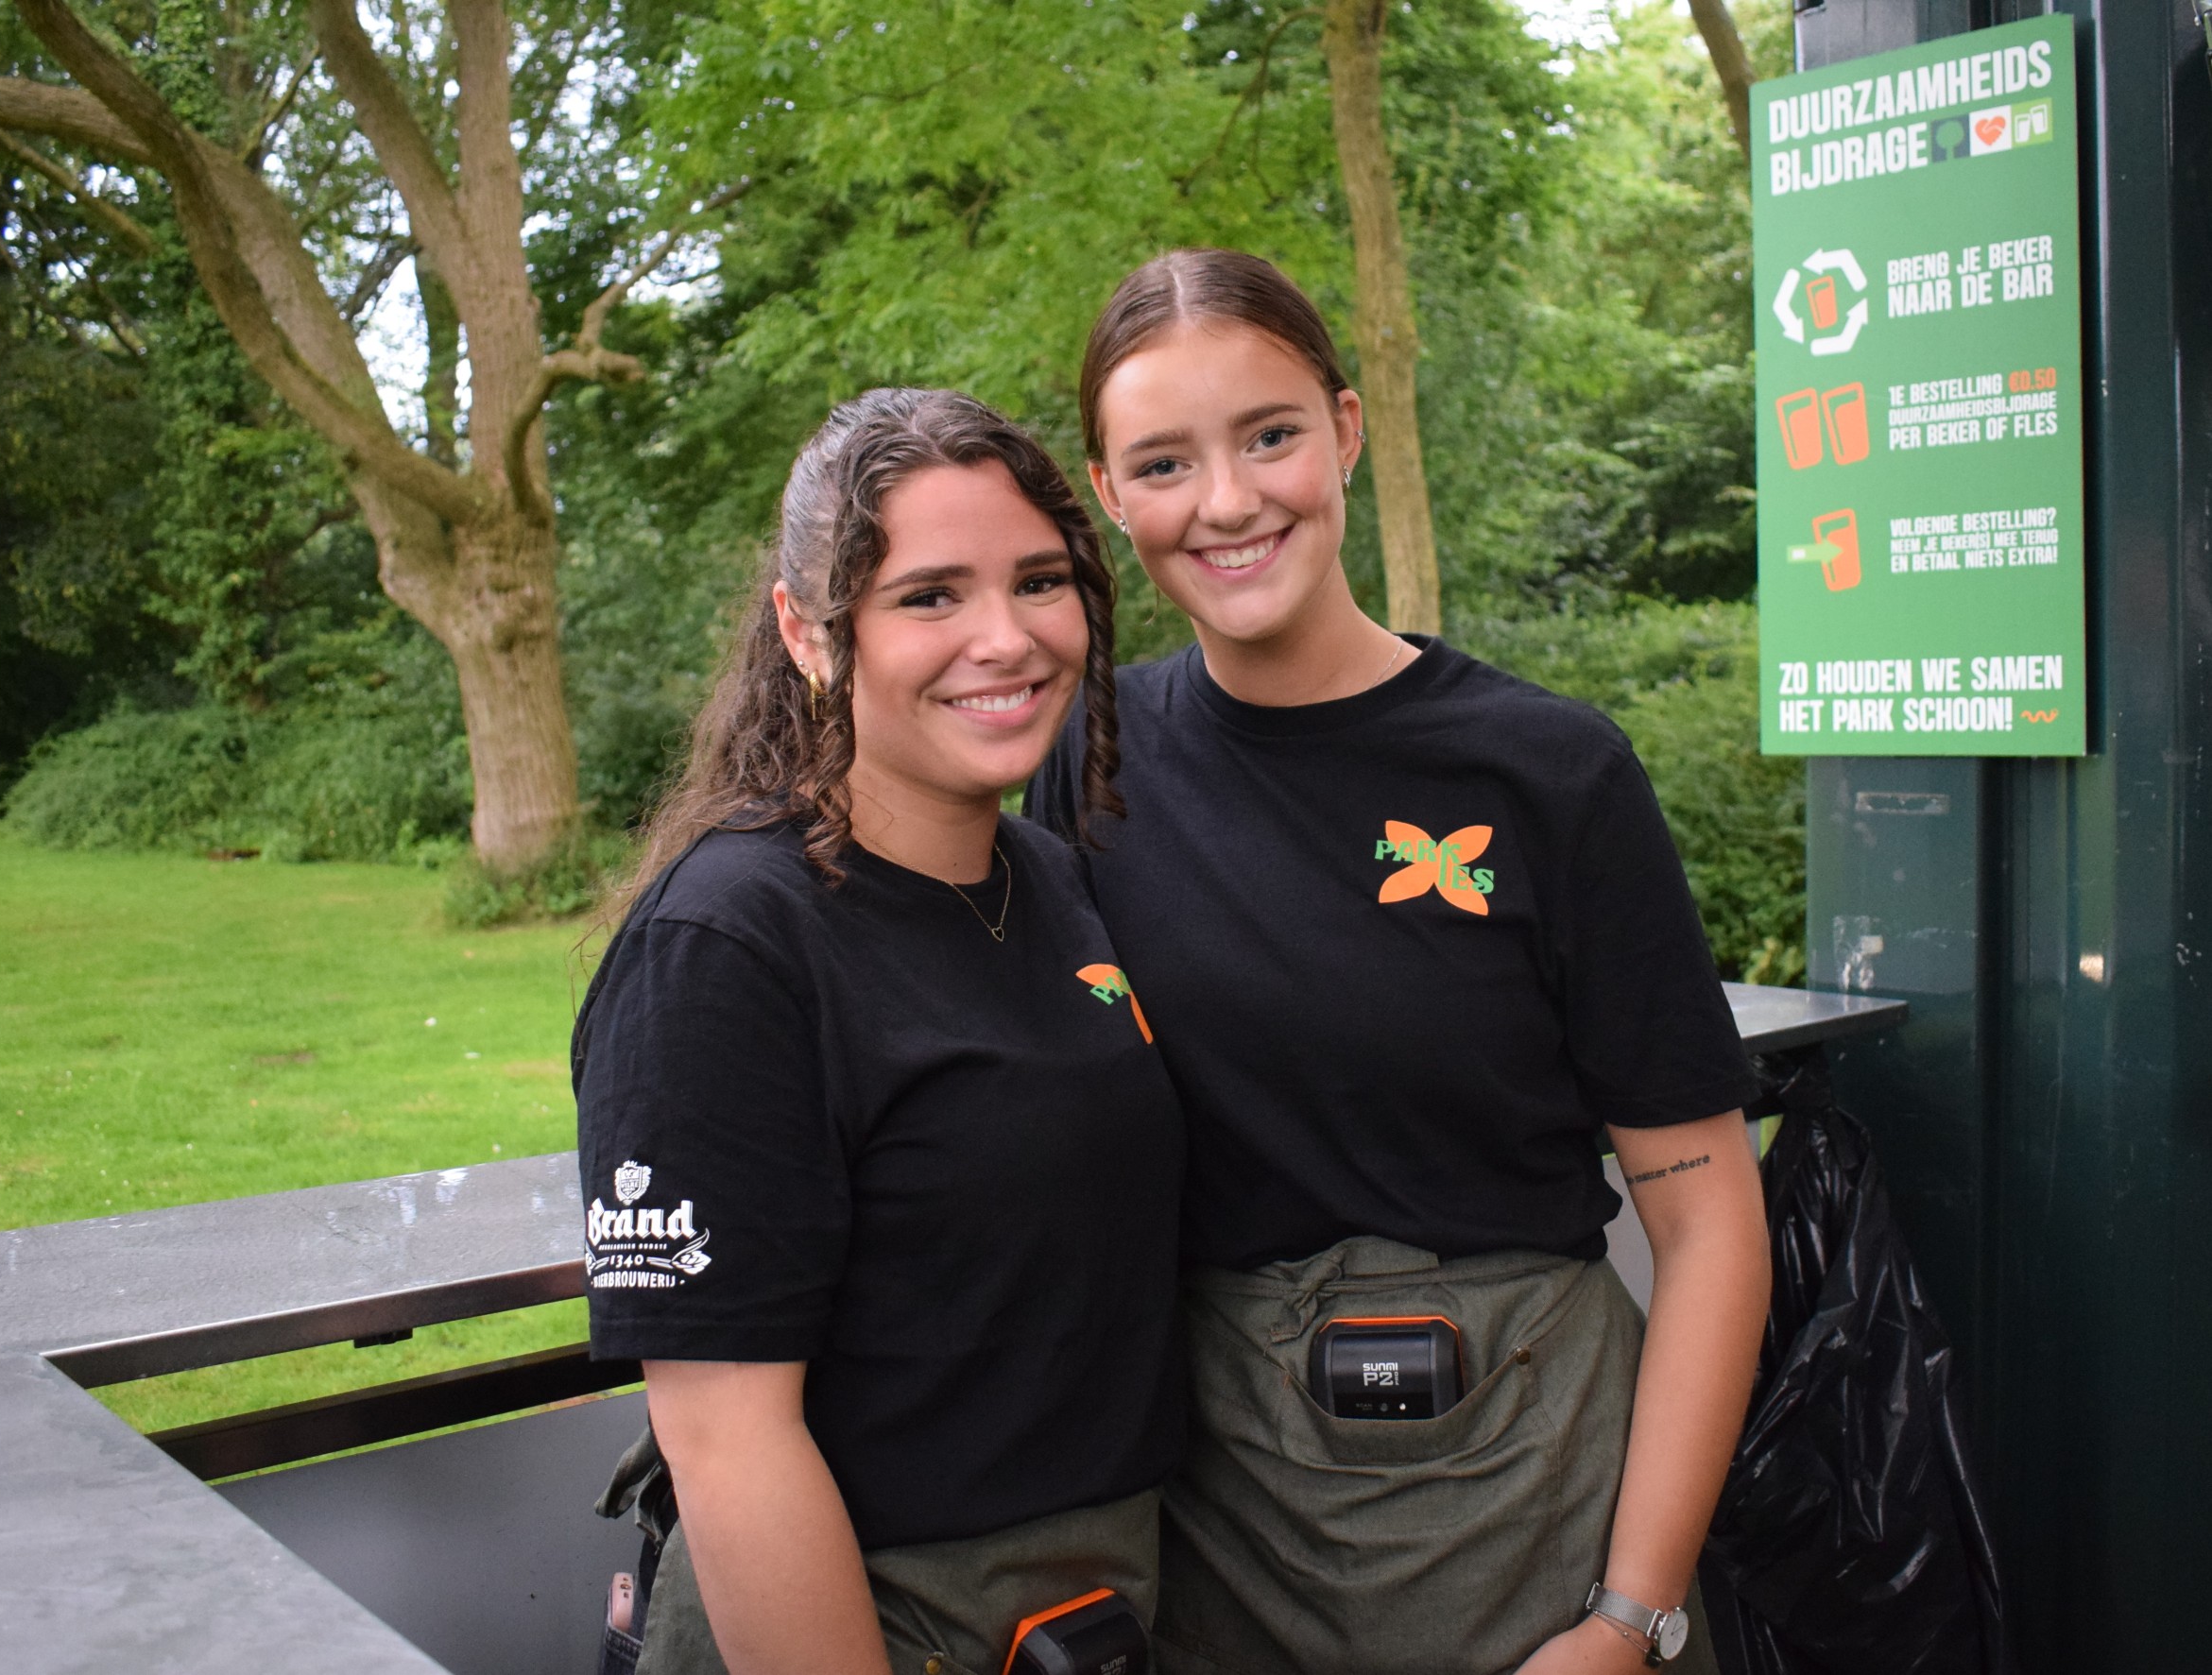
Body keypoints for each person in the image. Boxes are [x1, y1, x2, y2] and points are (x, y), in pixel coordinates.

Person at [1027, 248, 1773, 1675]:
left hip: (1534, 1516)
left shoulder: (1551, 774)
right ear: (1110, 494)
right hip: (1215, 1528)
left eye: (1270, 435)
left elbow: (1708, 1225)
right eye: (1165, 463)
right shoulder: (1091, 759)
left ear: (1347, 430)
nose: (1228, 501)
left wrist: (1630, 1617)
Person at [574, 388, 1184, 1675]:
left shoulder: (1046, 877)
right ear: (807, 632)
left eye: (1039, 581)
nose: (1005, 638)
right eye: (929, 596)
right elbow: (729, 1444)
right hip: (872, 1618)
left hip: (1090, 1603)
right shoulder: (728, 945)